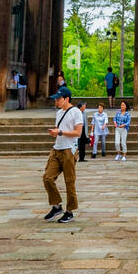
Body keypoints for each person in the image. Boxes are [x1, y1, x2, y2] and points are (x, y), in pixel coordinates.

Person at [43, 90, 84, 223]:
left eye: (58, 99)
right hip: (57, 148)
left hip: (69, 150)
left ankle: (70, 211)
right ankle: (56, 205)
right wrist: (56, 132)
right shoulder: (59, 113)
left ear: (66, 99)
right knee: (47, 178)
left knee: (69, 181)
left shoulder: (76, 112)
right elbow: (59, 129)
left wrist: (60, 132)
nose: (56, 101)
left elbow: (78, 133)